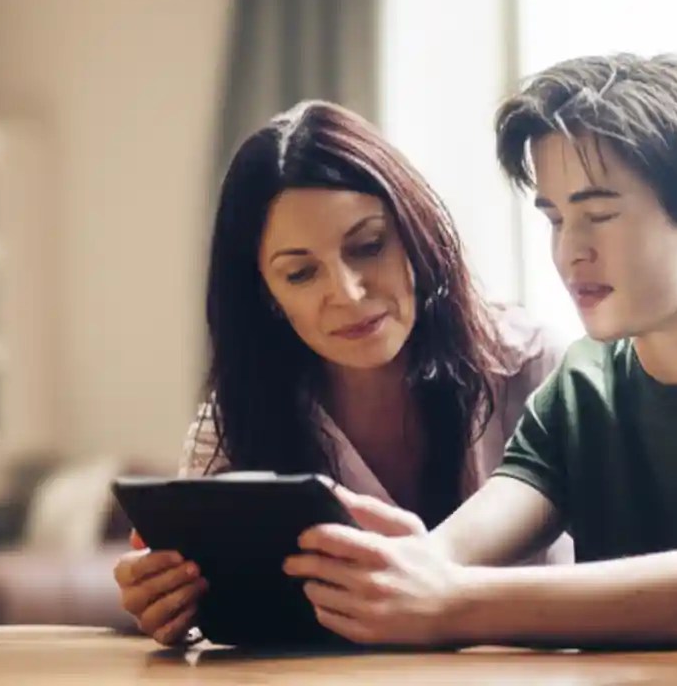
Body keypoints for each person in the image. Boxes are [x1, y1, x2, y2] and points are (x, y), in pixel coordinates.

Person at [283, 54, 677, 647]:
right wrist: (388, 569)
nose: (569, 253)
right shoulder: (582, 385)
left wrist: (454, 601)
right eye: (556, 219)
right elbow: (452, 555)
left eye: (600, 214)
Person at [113, 100, 571, 645]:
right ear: (267, 296)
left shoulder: (532, 367)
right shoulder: (238, 415)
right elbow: (225, 621)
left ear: (416, 235)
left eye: (368, 246)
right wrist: (178, 609)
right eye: (301, 273)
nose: (348, 294)